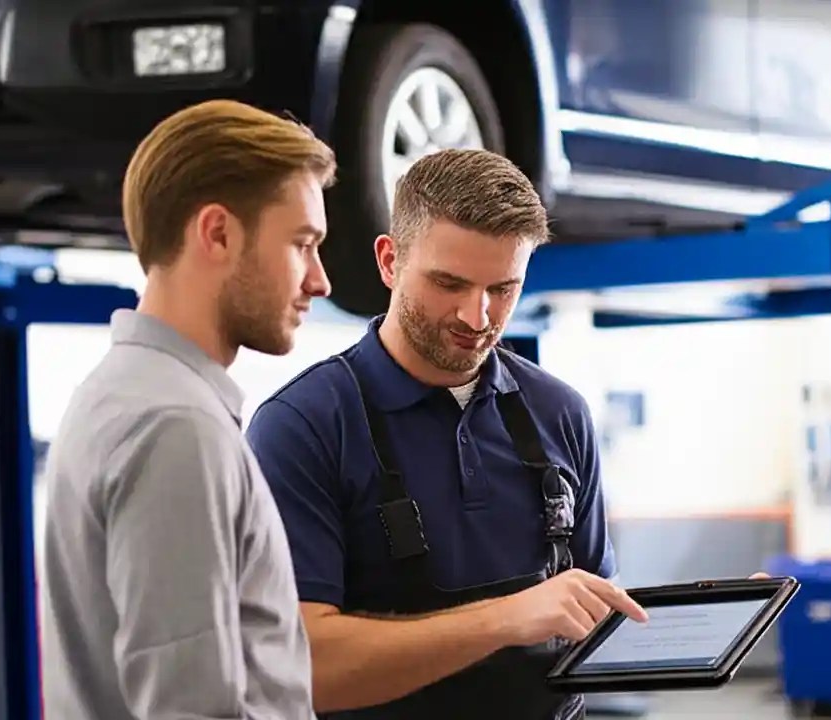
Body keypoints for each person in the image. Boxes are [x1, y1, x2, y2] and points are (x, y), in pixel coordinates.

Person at [245, 148, 647, 720]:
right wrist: (508, 618)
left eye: (502, 289)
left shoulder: (560, 414)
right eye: (449, 283)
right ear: (389, 261)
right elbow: (304, 671)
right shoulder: (303, 427)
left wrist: (709, 623)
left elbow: (592, 622)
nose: (476, 316)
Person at [38, 98, 335, 720]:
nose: (319, 280)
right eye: (302, 245)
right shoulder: (175, 426)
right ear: (218, 232)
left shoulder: (123, 393)